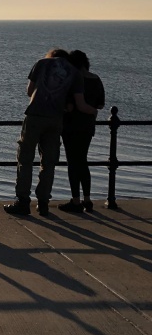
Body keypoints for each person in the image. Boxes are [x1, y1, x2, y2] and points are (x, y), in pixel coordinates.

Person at [4, 48, 96, 217]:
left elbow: (29, 92)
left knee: (25, 159)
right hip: (55, 119)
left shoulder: (41, 63)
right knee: (49, 162)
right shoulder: (74, 73)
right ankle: (43, 203)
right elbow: (79, 102)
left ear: (51, 56)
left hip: (35, 116)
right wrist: (94, 112)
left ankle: (23, 201)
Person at [59, 49, 105, 213]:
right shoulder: (96, 79)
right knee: (83, 162)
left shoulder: (73, 79)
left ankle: (76, 201)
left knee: (73, 163)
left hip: (71, 126)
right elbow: (100, 104)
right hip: (88, 126)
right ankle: (87, 199)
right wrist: (91, 110)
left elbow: (70, 105)